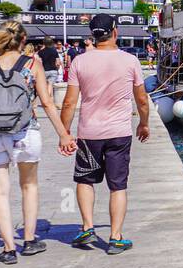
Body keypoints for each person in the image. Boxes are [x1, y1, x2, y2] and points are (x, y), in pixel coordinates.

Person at [0, 21, 76, 264]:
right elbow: (48, 103)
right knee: (29, 186)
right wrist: (64, 135)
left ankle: (8, 249)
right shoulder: (32, 64)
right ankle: (29, 240)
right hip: (26, 132)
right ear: (23, 41)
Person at [60, 14, 150, 255]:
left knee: (85, 180)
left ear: (93, 35)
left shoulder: (80, 62)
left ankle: (88, 228)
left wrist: (64, 132)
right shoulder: (130, 61)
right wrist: (144, 124)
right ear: (115, 32)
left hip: (89, 133)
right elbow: (141, 99)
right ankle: (115, 237)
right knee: (117, 186)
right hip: (119, 133)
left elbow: (69, 103)